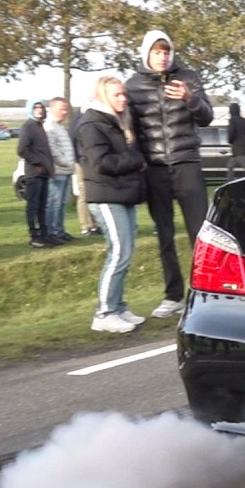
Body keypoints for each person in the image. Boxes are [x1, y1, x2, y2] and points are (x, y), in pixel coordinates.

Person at [125, 29, 214, 319]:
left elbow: (207, 117)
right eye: (156, 52)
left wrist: (190, 98)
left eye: (166, 52)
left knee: (199, 233)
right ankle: (173, 296)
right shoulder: (133, 85)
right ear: (146, 54)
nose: (162, 57)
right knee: (164, 234)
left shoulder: (189, 77)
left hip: (187, 162)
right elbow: (130, 129)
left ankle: (205, 292)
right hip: (155, 168)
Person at [77, 76, 148, 333]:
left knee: (125, 253)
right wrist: (136, 160)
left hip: (122, 193)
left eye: (124, 94)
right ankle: (104, 313)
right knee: (118, 253)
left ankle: (118, 306)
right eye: (117, 94)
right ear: (103, 97)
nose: (123, 99)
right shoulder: (92, 124)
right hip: (106, 195)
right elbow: (102, 163)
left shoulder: (115, 121)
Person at [17, 98, 57, 248]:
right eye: (36, 108)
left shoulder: (40, 126)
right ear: (30, 110)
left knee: (42, 206)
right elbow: (22, 149)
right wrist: (38, 163)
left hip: (44, 173)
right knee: (33, 206)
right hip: (34, 174)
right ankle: (34, 237)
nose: (39, 110)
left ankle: (44, 234)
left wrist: (48, 167)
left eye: (41, 107)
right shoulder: (28, 126)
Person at [43, 96, 77, 243]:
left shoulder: (59, 126)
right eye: (62, 109)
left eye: (66, 109)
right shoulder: (49, 126)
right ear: (52, 109)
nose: (65, 112)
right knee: (54, 203)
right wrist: (66, 162)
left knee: (62, 203)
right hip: (57, 171)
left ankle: (59, 230)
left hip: (66, 170)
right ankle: (52, 232)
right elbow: (53, 150)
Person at [69, 103, 101, 236]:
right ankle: (86, 226)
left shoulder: (84, 119)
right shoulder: (78, 120)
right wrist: (79, 159)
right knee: (83, 194)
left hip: (89, 161)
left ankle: (93, 224)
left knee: (91, 192)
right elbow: (73, 141)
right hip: (81, 162)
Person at [226, 101, 245, 181]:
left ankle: (229, 181)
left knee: (231, 166)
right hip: (244, 145)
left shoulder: (232, 120)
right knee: (232, 165)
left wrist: (230, 140)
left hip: (236, 147)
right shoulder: (243, 120)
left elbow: (231, 132)